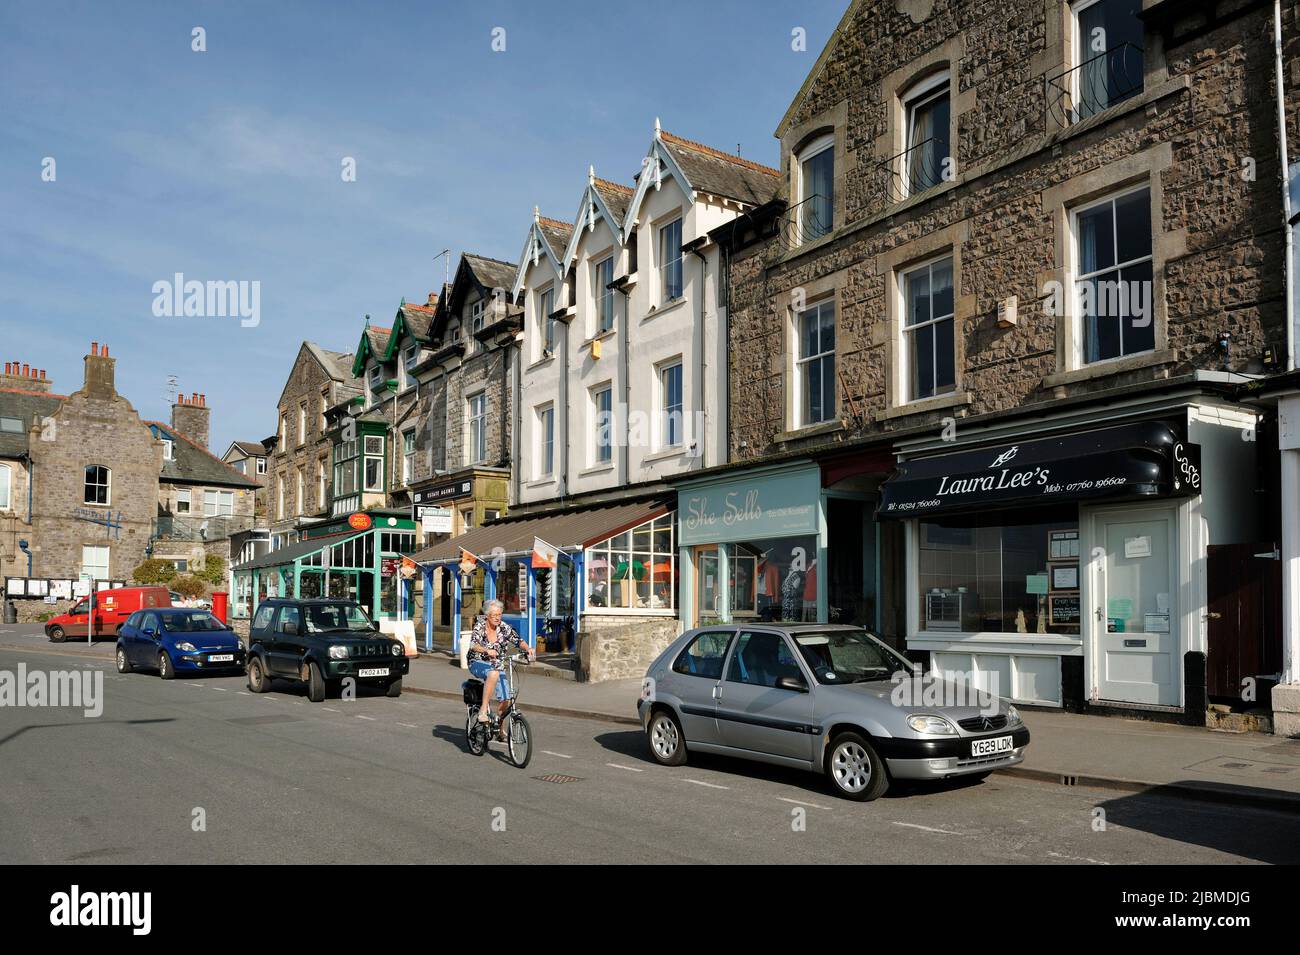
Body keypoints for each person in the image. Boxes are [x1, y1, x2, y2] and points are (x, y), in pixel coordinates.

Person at [466, 599, 534, 736]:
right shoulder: (480, 626)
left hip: (497, 664)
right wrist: (486, 650)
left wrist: (528, 648)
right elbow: (474, 645)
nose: (497, 618)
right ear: (487, 615)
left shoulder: (503, 627)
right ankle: (483, 710)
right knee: (493, 673)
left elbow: (517, 640)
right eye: (494, 615)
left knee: (506, 698)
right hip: (477, 662)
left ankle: (499, 727)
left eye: (499, 614)